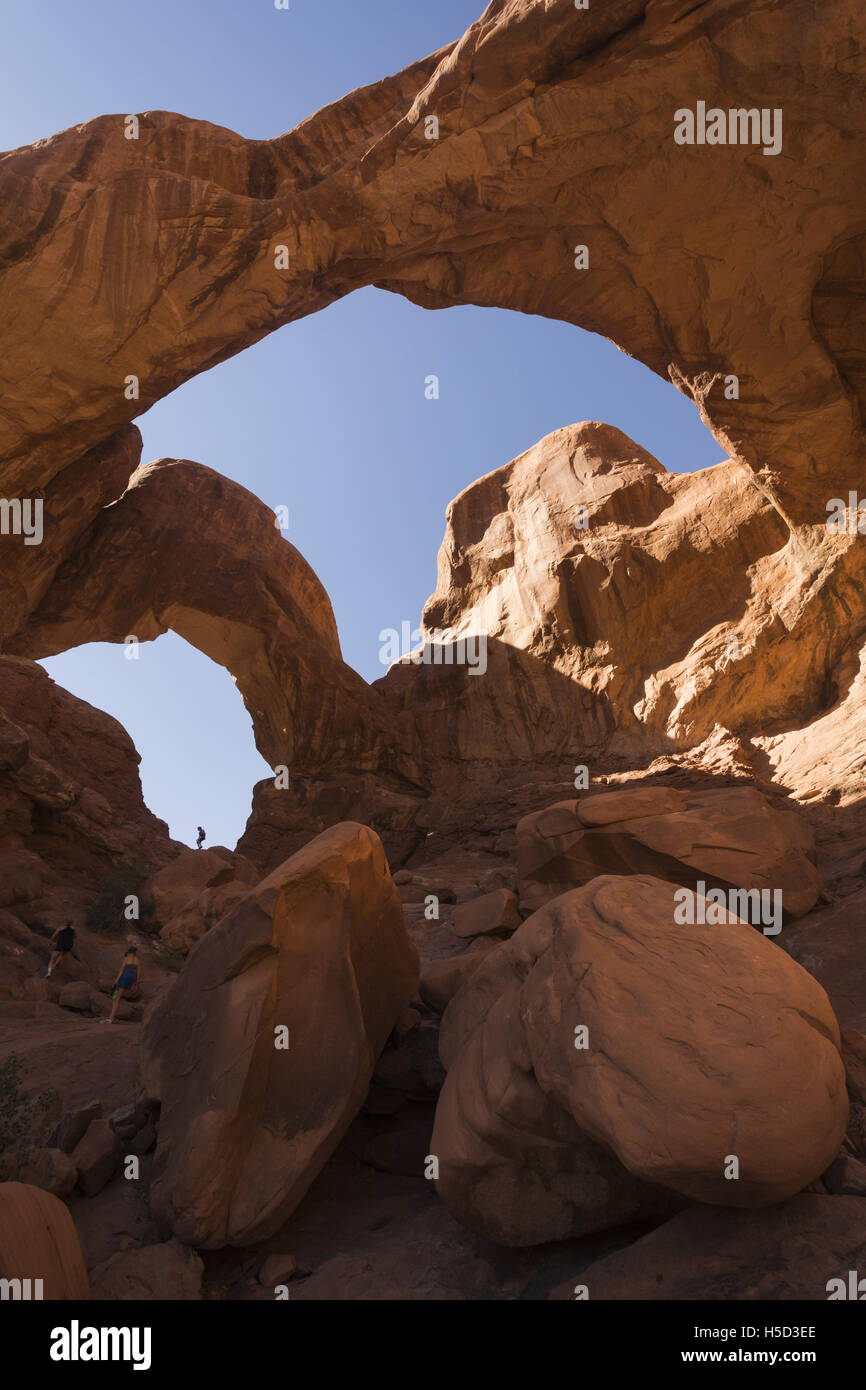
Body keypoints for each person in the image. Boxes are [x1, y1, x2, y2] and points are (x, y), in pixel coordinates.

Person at [100, 941, 141, 1025]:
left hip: (125, 976)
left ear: (129, 953)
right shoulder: (137, 960)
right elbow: (138, 972)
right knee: (118, 996)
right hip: (132, 977)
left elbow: (122, 970)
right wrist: (135, 983)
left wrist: (116, 980)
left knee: (116, 999)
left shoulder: (127, 959)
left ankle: (110, 1019)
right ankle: (112, 1014)